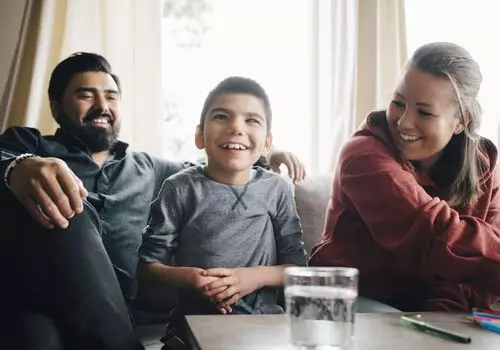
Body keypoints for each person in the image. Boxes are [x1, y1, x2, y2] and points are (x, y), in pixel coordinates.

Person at [0, 53, 306, 349]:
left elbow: (220, 171)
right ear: (56, 106)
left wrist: (269, 154)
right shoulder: (32, 146)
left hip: (125, 310)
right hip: (40, 297)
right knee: (67, 211)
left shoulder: (153, 169)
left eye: (111, 96)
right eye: (86, 95)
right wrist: (19, 166)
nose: (102, 105)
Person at [309, 42, 500, 312]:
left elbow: (478, 260)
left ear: (462, 120)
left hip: (430, 308)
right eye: (398, 103)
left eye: (424, 112)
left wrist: (444, 314)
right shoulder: (363, 157)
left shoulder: (481, 163)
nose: (403, 122)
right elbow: (435, 238)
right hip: (355, 299)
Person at [137, 76, 307, 316]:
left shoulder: (277, 189)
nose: (236, 128)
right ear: (200, 135)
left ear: (267, 143)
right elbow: (147, 267)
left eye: (251, 120)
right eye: (221, 117)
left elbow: (298, 269)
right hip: (195, 325)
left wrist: (254, 277)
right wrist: (188, 278)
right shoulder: (179, 188)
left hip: (264, 325)